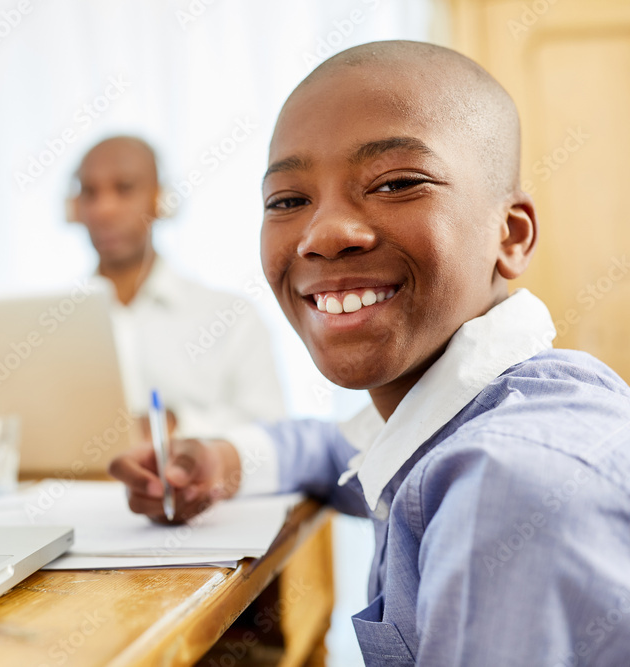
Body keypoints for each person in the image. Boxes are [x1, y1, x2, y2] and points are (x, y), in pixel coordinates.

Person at [108, 40, 630, 665]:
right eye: (288, 201)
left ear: (510, 234)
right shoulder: (473, 411)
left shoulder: (506, 491)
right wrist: (223, 461)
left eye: (396, 183)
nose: (323, 234)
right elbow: (342, 451)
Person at [70, 135, 286, 437]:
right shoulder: (57, 325)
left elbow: (272, 433)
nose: (104, 209)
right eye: (90, 193)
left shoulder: (232, 317)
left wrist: (172, 427)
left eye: (124, 189)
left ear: (161, 199)